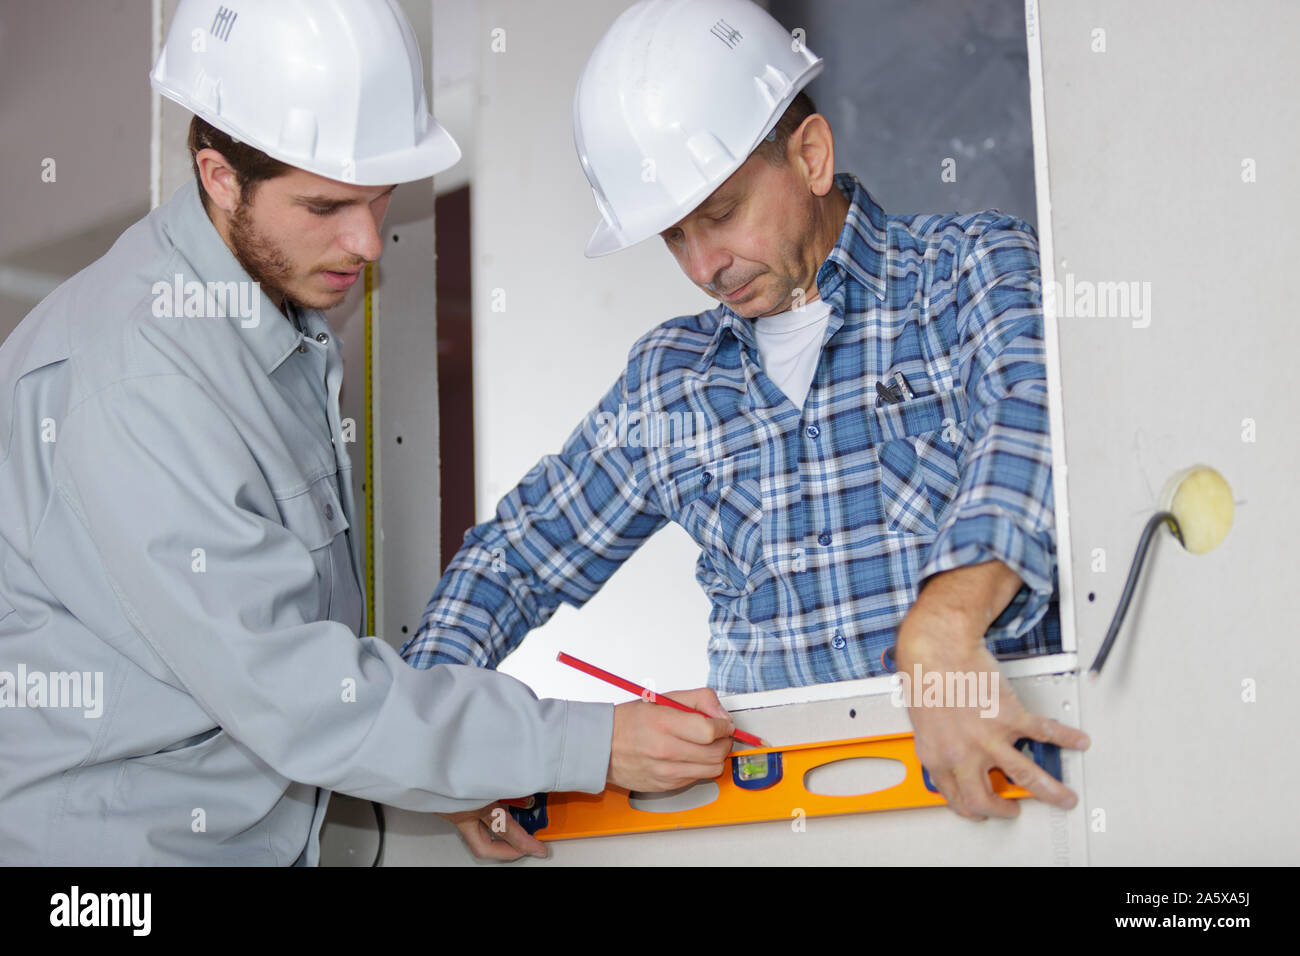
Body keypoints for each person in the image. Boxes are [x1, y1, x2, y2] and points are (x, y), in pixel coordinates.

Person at [0, 0, 735, 866]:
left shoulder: (267, 324)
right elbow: (299, 694)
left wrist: (464, 769)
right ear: (218, 175)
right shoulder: (137, 380)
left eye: (378, 199)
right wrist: (590, 744)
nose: (366, 241)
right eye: (327, 206)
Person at [403, 0, 1090, 829]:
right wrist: (441, 747)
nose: (704, 265)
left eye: (722, 214)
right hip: (782, 829)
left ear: (809, 155)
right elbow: (513, 559)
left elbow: (1040, 423)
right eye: (672, 236)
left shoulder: (973, 271)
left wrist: (944, 626)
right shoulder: (672, 383)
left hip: (1002, 809)